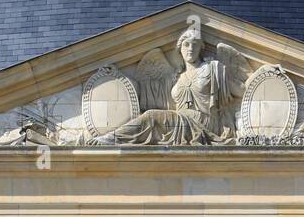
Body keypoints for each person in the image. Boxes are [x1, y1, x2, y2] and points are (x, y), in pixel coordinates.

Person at [99, 23, 248, 147]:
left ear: (202, 47)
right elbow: (142, 91)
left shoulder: (213, 68)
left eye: (195, 45)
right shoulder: (175, 77)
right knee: (151, 118)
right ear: (180, 48)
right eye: (186, 44)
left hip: (204, 124)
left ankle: (112, 139)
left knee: (152, 116)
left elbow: (243, 92)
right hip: (180, 124)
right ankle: (117, 137)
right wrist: (117, 76)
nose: (190, 48)